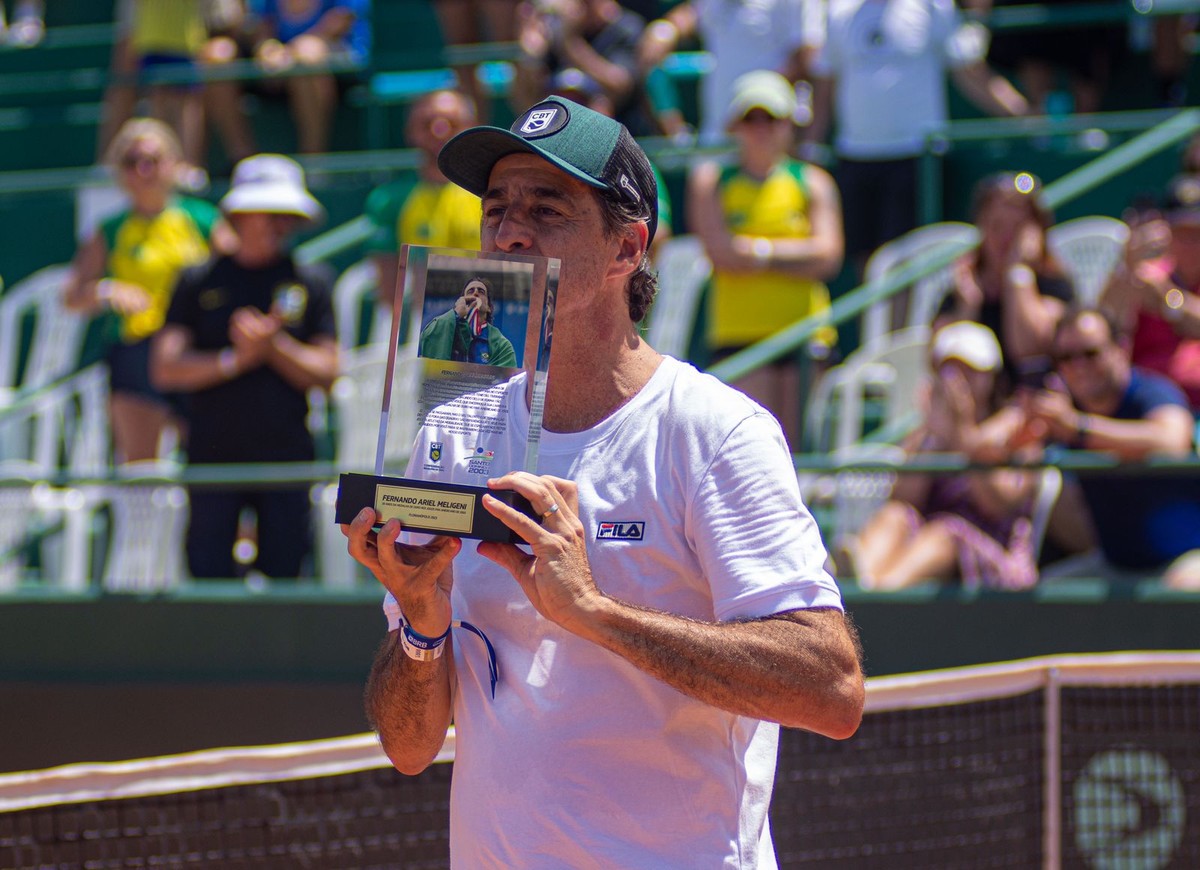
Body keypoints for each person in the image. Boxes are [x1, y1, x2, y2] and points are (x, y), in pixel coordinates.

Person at [342, 94, 865, 865]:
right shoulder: (453, 431)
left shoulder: (715, 430)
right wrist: (421, 623)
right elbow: (410, 748)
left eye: (547, 210)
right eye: (496, 210)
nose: (509, 232)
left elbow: (831, 689)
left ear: (627, 248)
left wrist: (593, 612)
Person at [151, 154, 339, 580]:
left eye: (287, 214)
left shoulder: (312, 280)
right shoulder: (197, 280)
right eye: (268, 212)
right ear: (239, 215)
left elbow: (329, 371)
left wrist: (273, 347)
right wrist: (235, 360)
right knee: (209, 580)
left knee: (286, 577)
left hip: (287, 457)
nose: (280, 224)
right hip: (212, 456)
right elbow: (166, 367)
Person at [807, 0, 1029, 274]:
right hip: (856, 155)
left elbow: (968, 71)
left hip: (915, 155)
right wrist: (810, 145)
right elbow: (825, 86)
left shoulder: (933, 6)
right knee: (866, 261)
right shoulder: (838, 11)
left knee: (905, 260)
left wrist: (1020, 113)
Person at [64, 118, 236, 465]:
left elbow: (239, 274)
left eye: (153, 160)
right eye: (132, 161)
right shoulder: (110, 229)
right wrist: (106, 290)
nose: (143, 170)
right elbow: (72, 297)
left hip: (193, 349)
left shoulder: (202, 218)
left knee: (209, 461)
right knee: (139, 471)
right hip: (135, 352)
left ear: (173, 164)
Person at [688, 70, 844, 446]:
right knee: (750, 448)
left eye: (771, 119)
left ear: (788, 125)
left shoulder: (813, 181)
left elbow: (828, 255)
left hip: (805, 334)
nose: (761, 129)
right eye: (751, 119)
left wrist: (757, 253)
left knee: (797, 452)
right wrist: (795, 256)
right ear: (734, 126)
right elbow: (721, 254)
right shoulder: (711, 180)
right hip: (737, 335)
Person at [848, 320, 1039, 590]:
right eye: (950, 371)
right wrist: (933, 437)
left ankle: (879, 597)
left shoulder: (1017, 428)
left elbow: (998, 504)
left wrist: (962, 433)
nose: (958, 381)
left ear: (991, 376)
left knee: (946, 532)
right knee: (895, 516)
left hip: (997, 559)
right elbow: (904, 500)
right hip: (930, 547)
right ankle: (863, 584)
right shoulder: (924, 432)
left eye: (970, 370)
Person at [1021, 307, 1200, 586]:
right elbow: (994, 449)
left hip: (1184, 558)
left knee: (1180, 592)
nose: (1079, 366)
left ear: (1121, 348)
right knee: (1045, 595)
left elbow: (1171, 442)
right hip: (1115, 566)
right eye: (1066, 357)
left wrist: (1079, 428)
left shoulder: (1150, 392)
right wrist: (1021, 427)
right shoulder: (1064, 409)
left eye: (1091, 353)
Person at [936, 171, 1074, 392]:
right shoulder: (962, 289)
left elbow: (1031, 352)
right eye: (997, 226)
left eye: (1017, 228)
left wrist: (1018, 274)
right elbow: (940, 362)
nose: (1006, 238)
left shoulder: (1054, 285)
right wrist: (968, 308)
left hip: (1036, 400)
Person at [361, 89, 483, 336]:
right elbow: (389, 292)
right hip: (424, 330)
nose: (439, 130)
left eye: (452, 123)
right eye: (427, 123)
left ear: (472, 127)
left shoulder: (492, 193)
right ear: (410, 132)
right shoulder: (388, 200)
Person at [636, 0, 825, 143]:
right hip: (718, 135)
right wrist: (665, 30)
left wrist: (755, 104)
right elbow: (694, 13)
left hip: (772, 135)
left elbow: (807, 56)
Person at [205, 0, 370, 159]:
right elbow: (260, 26)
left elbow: (339, 22)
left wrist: (290, 54)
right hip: (276, 71)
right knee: (217, 56)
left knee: (307, 54)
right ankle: (243, 162)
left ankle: (313, 162)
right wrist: (267, 48)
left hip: (335, 70)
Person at [1102, 174, 1200, 416]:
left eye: (1196, 233)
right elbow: (1105, 322)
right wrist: (1125, 270)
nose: (1190, 243)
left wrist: (1167, 298)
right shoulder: (1145, 274)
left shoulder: (1157, 283)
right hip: (1148, 407)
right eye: (1180, 233)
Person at [511, 0, 654, 136]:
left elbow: (620, 85)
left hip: (615, 137)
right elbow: (525, 102)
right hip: (556, 135)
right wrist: (530, 56)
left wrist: (571, 43)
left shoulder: (625, 27)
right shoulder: (554, 30)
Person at [418, 276, 518, 367]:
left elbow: (506, 378)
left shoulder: (501, 345)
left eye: (481, 292)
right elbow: (428, 339)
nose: (475, 293)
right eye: (470, 291)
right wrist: (456, 313)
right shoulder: (448, 329)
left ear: (489, 307)